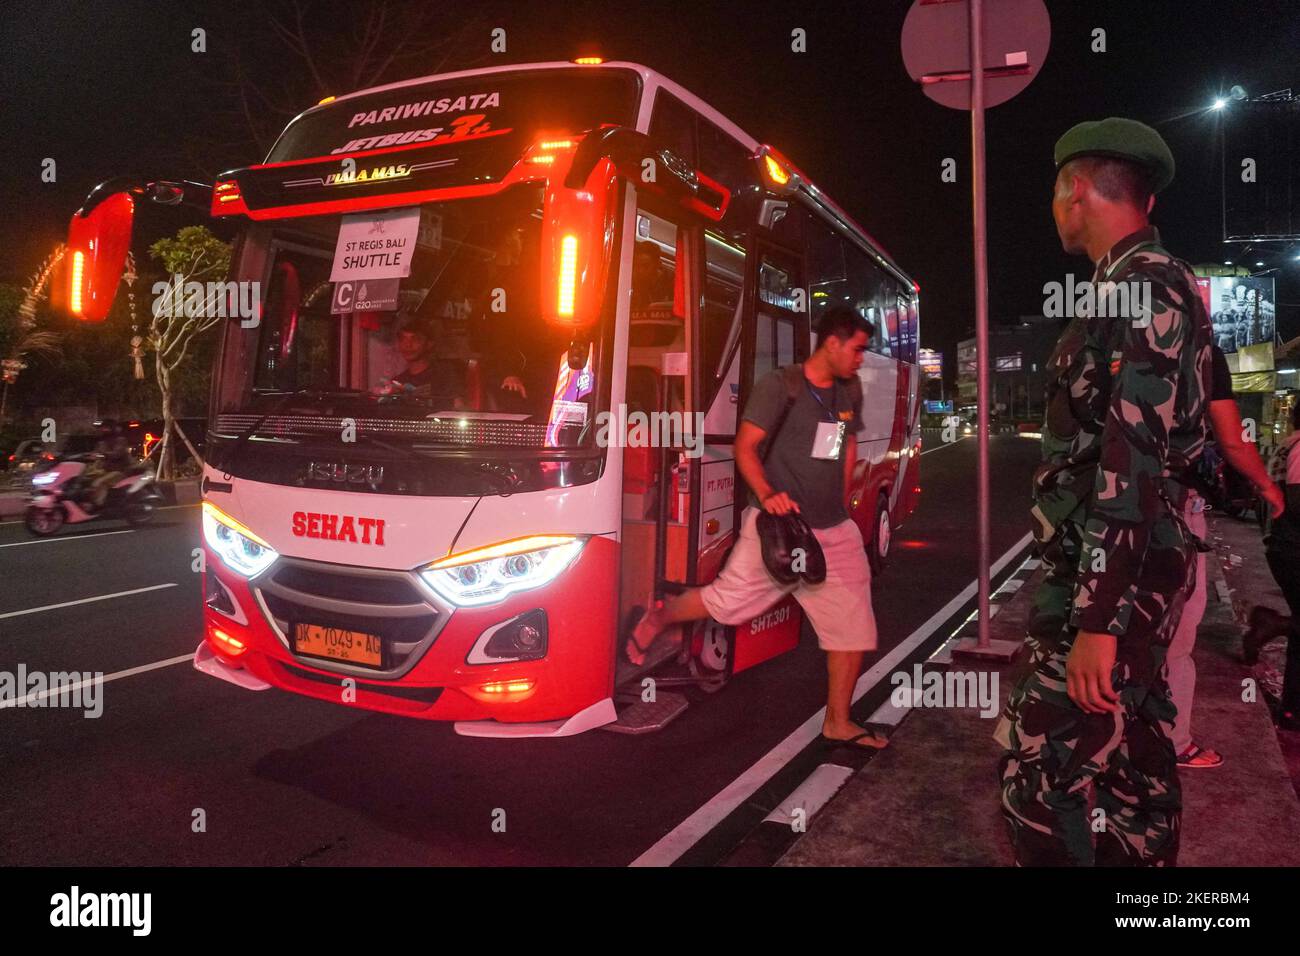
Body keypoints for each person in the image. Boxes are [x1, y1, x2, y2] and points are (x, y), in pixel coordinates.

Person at [995, 117, 1212, 866]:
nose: (1056, 209)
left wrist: (1099, 618)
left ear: (1077, 190)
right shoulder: (1158, 283)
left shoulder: (1141, 289)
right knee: (1134, 767)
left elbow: (1133, 458)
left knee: (1036, 774)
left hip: (1113, 584)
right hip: (1137, 577)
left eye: (1058, 194)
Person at [626, 307, 885, 749]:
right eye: (858, 348)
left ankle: (838, 721)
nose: (862, 358)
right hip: (777, 528)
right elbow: (746, 448)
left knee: (854, 625)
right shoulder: (780, 386)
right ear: (833, 343)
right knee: (727, 606)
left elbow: (848, 442)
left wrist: (841, 500)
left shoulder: (850, 389)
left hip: (832, 530)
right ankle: (659, 615)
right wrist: (767, 494)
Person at [1166, 344, 1284, 769]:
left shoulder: (1102, 337)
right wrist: (1269, 490)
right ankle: (1174, 742)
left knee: (1115, 632)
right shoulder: (1200, 351)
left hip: (1106, 509)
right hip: (1174, 508)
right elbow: (1233, 441)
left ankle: (1112, 741)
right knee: (1177, 635)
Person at [1243, 402, 1300, 732]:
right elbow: (1296, 501)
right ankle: (1272, 626)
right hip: (1292, 547)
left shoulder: (1289, 443)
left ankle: (1293, 709)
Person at [376, 314, 465, 409]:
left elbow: (459, 407)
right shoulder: (398, 382)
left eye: (415, 339)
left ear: (429, 344)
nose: (408, 345)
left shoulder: (444, 374)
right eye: (403, 339)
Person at [85, 420, 133, 510]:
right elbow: (95, 453)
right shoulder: (102, 442)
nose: (103, 430)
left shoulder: (120, 440)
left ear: (111, 428)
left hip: (119, 470)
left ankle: (98, 506)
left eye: (105, 428)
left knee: (99, 482)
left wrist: (103, 455)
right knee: (84, 479)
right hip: (105, 470)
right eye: (102, 428)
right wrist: (87, 456)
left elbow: (117, 454)